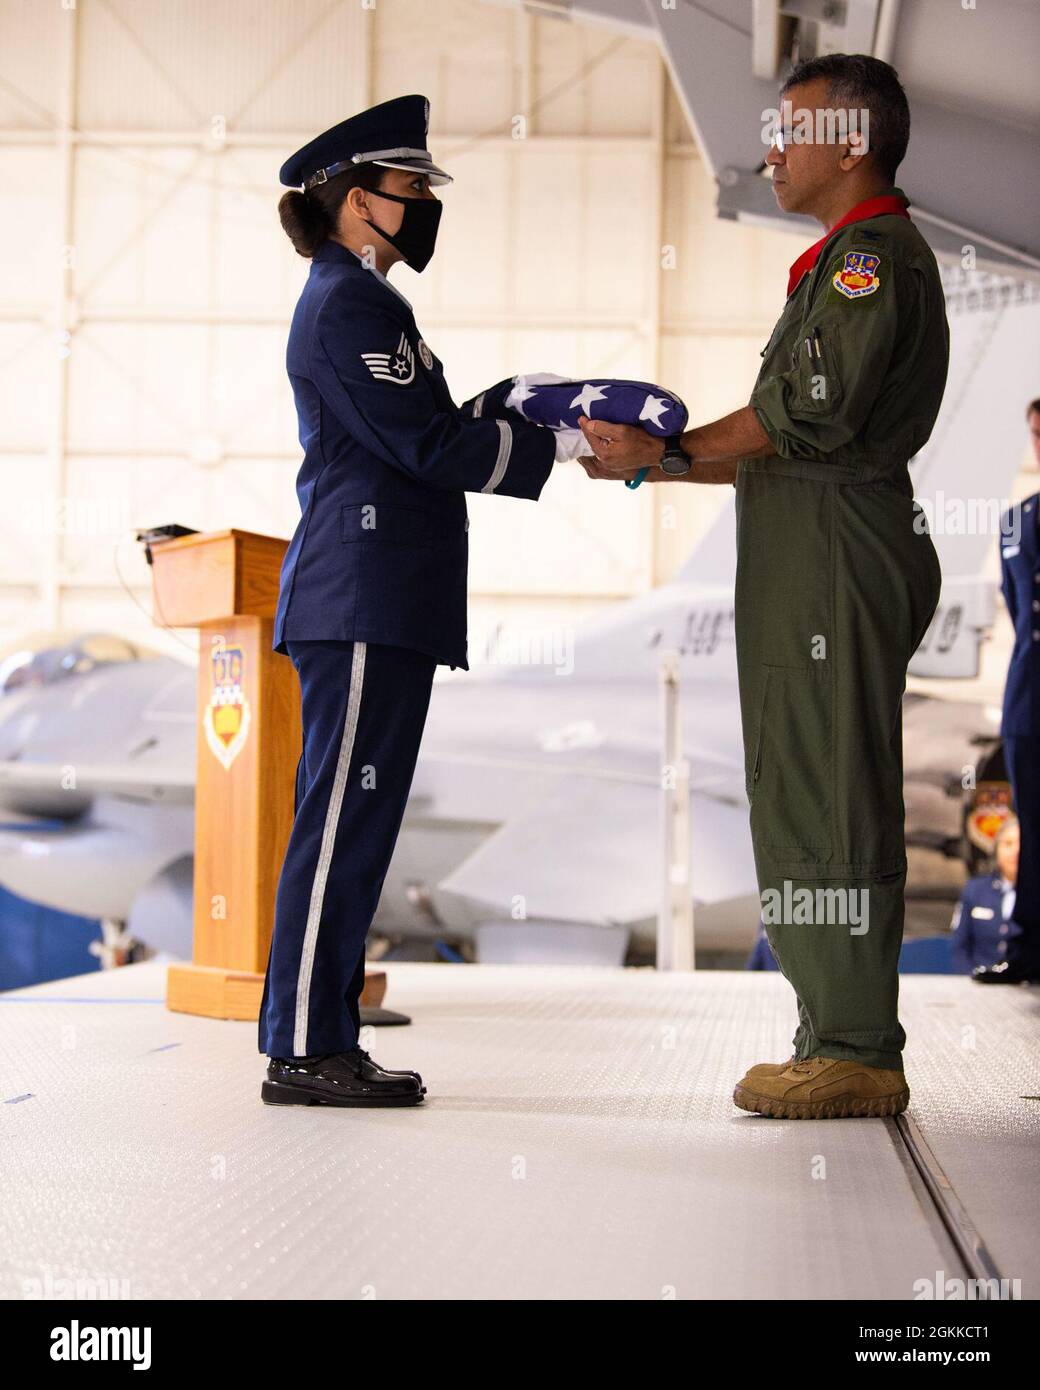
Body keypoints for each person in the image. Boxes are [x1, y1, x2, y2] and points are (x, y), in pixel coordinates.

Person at [577, 54, 948, 1119]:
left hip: (834, 544)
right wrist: (653, 459)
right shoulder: (843, 262)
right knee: (796, 778)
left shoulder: (871, 262)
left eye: (789, 130)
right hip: (807, 542)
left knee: (826, 782)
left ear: (853, 141)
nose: (769, 151)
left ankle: (854, 1044)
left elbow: (800, 417)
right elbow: (783, 429)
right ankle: (827, 1024)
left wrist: (662, 452)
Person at [258, 95, 557, 1108]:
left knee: (356, 825)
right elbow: (423, 446)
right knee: (338, 824)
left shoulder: (368, 302)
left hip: (383, 601)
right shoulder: (349, 305)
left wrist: (517, 403)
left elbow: (416, 423)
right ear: (353, 201)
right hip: (361, 600)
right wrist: (556, 445)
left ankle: (323, 1034)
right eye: (409, 187)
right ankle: (301, 1044)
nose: (423, 203)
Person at [974, 402, 1040, 983]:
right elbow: (1021, 613)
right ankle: (1024, 951)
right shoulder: (1018, 520)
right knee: (1030, 821)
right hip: (1029, 695)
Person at [951, 818, 1021, 973]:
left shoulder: (1034, 896)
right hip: (980, 983)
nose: (1015, 851)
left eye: (1022, 844)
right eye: (1008, 844)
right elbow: (960, 946)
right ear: (996, 849)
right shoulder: (975, 890)